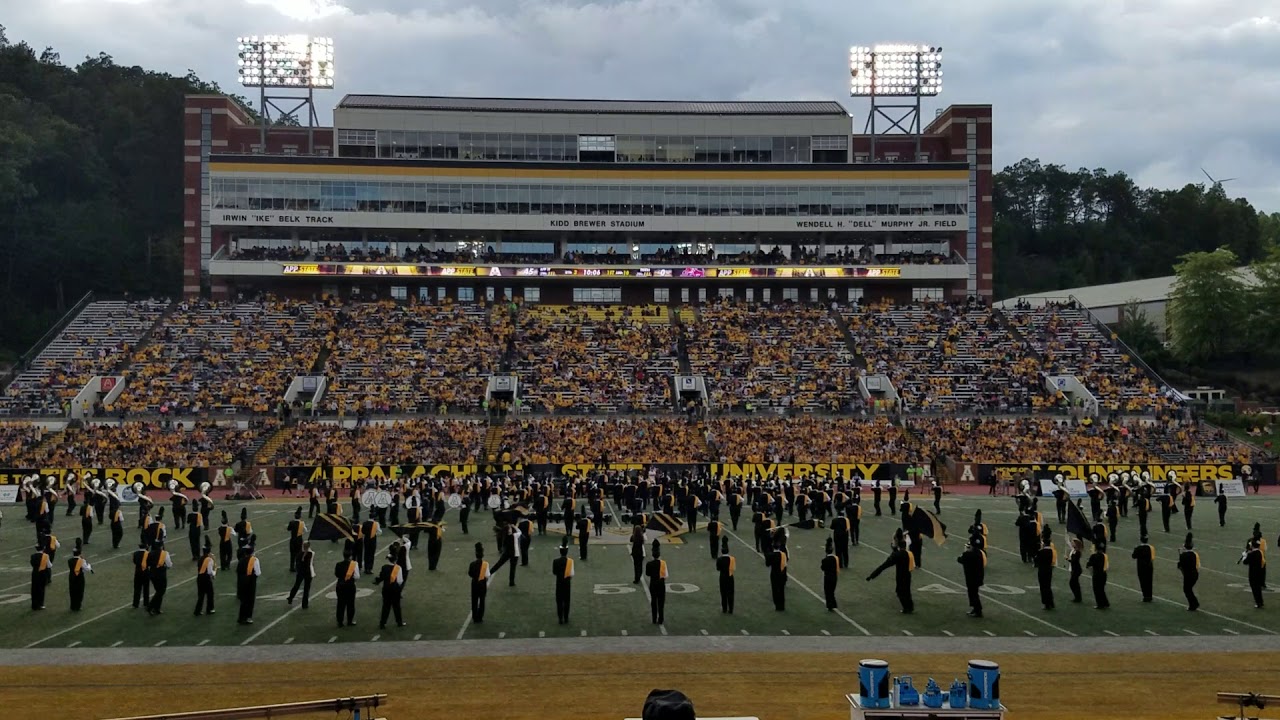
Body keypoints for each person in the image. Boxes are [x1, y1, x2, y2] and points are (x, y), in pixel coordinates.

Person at [868, 535, 915, 614]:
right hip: (908, 574)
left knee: (900, 592)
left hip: (900, 576)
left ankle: (906, 608)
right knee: (907, 591)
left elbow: (884, 566)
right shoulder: (909, 553)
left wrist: (872, 575)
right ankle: (910, 607)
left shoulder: (896, 555)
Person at [374, 551, 406, 629]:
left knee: (385, 606)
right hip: (395, 589)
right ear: (395, 560)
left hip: (386, 589)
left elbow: (381, 577)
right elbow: (400, 581)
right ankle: (399, 622)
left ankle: (382, 623)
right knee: (397, 606)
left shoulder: (384, 567)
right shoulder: (398, 568)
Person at [958, 536, 986, 618]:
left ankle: (978, 610)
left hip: (971, 578)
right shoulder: (979, 553)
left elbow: (960, 559)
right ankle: (976, 609)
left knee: (973, 594)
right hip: (979, 577)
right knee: (974, 593)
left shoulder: (968, 554)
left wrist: (965, 552)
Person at [236, 543, 261, 625]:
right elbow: (258, 573)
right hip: (251, 581)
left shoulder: (241, 560)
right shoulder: (254, 560)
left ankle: (241, 617)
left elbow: (238, 571)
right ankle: (248, 617)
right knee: (250, 600)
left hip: (241, 581)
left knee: (243, 600)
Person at [334, 550, 360, 627]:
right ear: (351, 556)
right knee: (350, 604)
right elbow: (357, 576)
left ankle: (340, 622)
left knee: (340, 604)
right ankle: (349, 621)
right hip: (350, 585)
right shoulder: (354, 564)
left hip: (340, 585)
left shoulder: (338, 564)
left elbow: (337, 574)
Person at [146, 542, 173, 615]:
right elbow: (169, 565)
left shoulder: (150, 553)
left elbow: (147, 563)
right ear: (161, 546)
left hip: (152, 574)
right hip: (161, 574)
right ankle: (150, 606)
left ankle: (157, 608)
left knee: (158, 591)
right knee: (161, 591)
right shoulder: (165, 553)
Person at [552, 538, 574, 624]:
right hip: (567, 583)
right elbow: (571, 573)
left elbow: (554, 572)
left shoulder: (555, 561)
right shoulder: (570, 561)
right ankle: (566, 618)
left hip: (559, 583)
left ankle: (560, 618)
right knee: (567, 601)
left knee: (559, 601)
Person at [645, 539, 667, 625]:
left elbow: (647, 574)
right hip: (661, 584)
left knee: (654, 601)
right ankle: (661, 618)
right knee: (661, 602)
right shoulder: (663, 563)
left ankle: (654, 619)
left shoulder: (649, 564)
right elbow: (665, 575)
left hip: (653, 584)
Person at [288, 541, 315, 608]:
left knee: (296, 585)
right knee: (306, 589)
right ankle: (304, 604)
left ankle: (291, 597)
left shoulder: (299, 554)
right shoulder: (311, 553)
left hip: (300, 572)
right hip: (308, 572)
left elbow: (298, 563)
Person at [1034, 527, 1056, 611]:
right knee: (1048, 586)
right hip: (1049, 570)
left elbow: (1036, 560)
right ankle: (1051, 602)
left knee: (1043, 587)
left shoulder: (1041, 552)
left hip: (1042, 571)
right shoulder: (1050, 551)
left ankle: (1046, 603)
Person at [1177, 532, 1199, 611]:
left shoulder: (1183, 555)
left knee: (1187, 590)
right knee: (1188, 589)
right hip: (1195, 574)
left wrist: (1180, 555)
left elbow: (1180, 566)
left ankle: (1193, 605)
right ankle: (1194, 603)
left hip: (1188, 575)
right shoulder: (1194, 554)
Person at [468, 542, 489, 624]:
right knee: (482, 600)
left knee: (474, 600)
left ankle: (475, 617)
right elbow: (487, 575)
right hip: (482, 584)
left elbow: (470, 573)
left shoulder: (472, 564)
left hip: (474, 584)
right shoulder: (485, 564)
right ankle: (480, 617)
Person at [68, 540, 92, 611]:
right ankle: (78, 606)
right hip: (79, 578)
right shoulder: (81, 561)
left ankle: (72, 606)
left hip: (71, 577)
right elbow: (87, 569)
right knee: (79, 591)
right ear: (80, 553)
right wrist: (89, 565)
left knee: (72, 591)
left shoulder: (69, 560)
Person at [194, 541, 216, 616]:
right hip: (206, 578)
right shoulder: (209, 559)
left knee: (201, 595)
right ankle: (210, 609)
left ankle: (197, 611)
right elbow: (209, 571)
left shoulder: (200, 558)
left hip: (199, 578)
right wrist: (214, 572)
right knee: (210, 594)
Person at [1242, 538, 1266, 609]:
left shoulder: (1251, 554)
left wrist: (1244, 556)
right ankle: (1260, 602)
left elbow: (1245, 562)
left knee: (1255, 588)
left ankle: (1258, 603)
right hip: (1259, 572)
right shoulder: (1260, 552)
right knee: (1258, 588)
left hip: (1253, 574)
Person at [766, 537, 788, 611]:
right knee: (781, 590)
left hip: (774, 574)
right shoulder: (783, 554)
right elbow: (785, 564)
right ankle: (782, 605)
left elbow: (767, 564)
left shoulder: (771, 555)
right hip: (781, 573)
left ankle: (777, 605)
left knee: (775, 590)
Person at [1132, 534, 1156, 602]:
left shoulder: (1138, 548)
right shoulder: (1151, 547)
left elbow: (1133, 556)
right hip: (1149, 566)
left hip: (1141, 567)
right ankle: (1149, 596)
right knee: (1149, 581)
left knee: (1143, 581)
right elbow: (1153, 557)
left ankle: (1145, 596)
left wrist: (1135, 549)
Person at [30, 542, 52, 610]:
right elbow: (49, 565)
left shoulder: (32, 556)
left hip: (35, 574)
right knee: (41, 589)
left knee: (34, 589)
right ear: (43, 548)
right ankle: (40, 604)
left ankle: (34, 605)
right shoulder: (45, 556)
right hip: (42, 574)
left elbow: (32, 564)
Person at [1087, 543, 1110, 610]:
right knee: (1102, 589)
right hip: (1103, 574)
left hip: (1097, 574)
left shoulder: (1094, 556)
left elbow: (1089, 565)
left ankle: (1100, 604)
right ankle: (1106, 603)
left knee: (1097, 590)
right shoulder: (1105, 555)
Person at [716, 537, 735, 614]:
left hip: (722, 577)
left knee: (723, 593)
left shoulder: (719, 559)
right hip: (730, 577)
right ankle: (731, 609)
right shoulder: (732, 559)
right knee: (730, 593)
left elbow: (718, 568)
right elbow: (733, 568)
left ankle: (724, 609)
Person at [821, 537, 839, 611]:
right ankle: (833, 603)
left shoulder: (825, 560)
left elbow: (822, 568)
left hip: (827, 577)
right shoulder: (836, 558)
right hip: (834, 577)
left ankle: (830, 605)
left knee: (827, 591)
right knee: (832, 591)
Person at [131, 541, 151, 610]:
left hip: (137, 572)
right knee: (146, 588)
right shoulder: (148, 554)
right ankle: (146, 603)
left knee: (137, 588)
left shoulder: (135, 553)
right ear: (146, 547)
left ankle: (135, 604)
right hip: (146, 572)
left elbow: (134, 561)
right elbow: (149, 563)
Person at [287, 508, 306, 573]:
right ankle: (298, 566)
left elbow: (288, 529)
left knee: (292, 554)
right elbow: (305, 530)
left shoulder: (291, 522)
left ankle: (292, 567)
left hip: (293, 540)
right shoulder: (302, 523)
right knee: (299, 553)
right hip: (299, 540)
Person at [1066, 537, 1084, 604]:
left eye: (1073, 543)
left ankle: (1078, 597)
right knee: (1075, 583)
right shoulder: (1073, 550)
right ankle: (1077, 597)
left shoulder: (1077, 552)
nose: (1072, 543)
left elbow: (1074, 561)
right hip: (1074, 569)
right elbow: (1069, 544)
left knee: (1073, 583)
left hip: (1076, 569)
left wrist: (1067, 559)